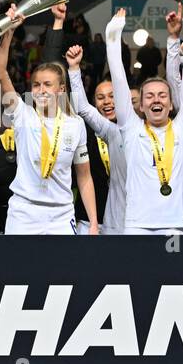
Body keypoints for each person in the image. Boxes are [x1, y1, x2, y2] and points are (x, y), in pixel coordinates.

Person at [0, 4, 98, 234]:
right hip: (23, 213)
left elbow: (84, 177)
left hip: (61, 215)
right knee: (18, 271)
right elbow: (0, 73)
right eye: (36, 85)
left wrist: (92, 223)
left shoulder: (75, 124)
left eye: (47, 85)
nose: (40, 90)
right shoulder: (23, 114)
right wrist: (8, 33)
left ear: (61, 90)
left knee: (62, 272)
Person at [106, 5, 183, 234]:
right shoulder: (130, 128)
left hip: (178, 224)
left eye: (162, 95)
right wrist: (113, 35)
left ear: (171, 104)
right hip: (136, 225)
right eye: (149, 96)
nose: (155, 100)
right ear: (140, 105)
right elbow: (119, 78)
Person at [65, 44, 126, 233]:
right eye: (100, 98)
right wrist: (74, 69)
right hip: (89, 220)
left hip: (126, 219)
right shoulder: (86, 131)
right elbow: (81, 106)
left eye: (112, 96)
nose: (107, 101)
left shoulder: (135, 131)